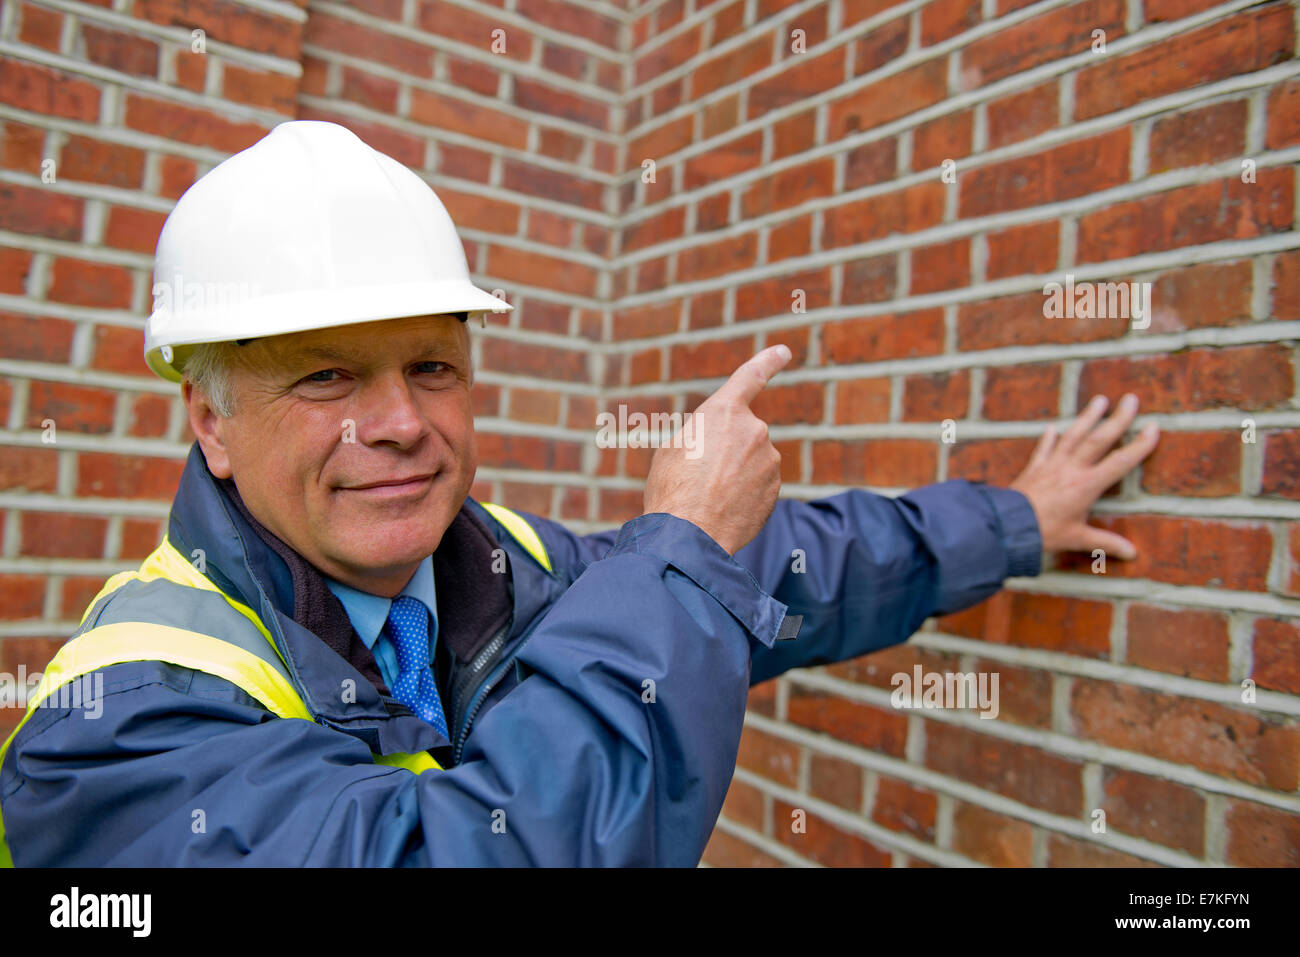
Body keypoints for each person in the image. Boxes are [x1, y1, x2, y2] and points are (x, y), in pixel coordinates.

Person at [0, 121, 1160, 866]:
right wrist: (683, 547)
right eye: (327, 376)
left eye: (433, 367)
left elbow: (769, 573)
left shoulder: (501, 567)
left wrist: (1011, 524)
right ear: (210, 420)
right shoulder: (121, 726)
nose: (401, 422)